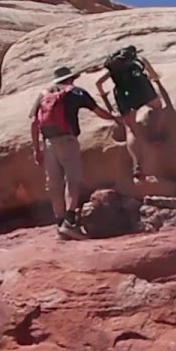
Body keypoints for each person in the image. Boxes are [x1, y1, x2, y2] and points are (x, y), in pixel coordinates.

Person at [30, 66, 120, 240]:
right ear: (71, 79)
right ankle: (69, 222)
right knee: (72, 179)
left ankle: (59, 223)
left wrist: (36, 149)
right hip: (67, 140)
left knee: (54, 183)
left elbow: (34, 123)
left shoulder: (43, 94)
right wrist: (115, 117)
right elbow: (99, 112)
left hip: (49, 142)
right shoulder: (76, 93)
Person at [95, 46, 166, 183]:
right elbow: (153, 75)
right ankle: (156, 135)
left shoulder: (114, 68)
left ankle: (137, 165)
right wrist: (156, 81)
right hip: (142, 90)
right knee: (157, 107)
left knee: (131, 128)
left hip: (124, 95)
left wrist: (105, 100)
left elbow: (98, 83)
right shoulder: (139, 60)